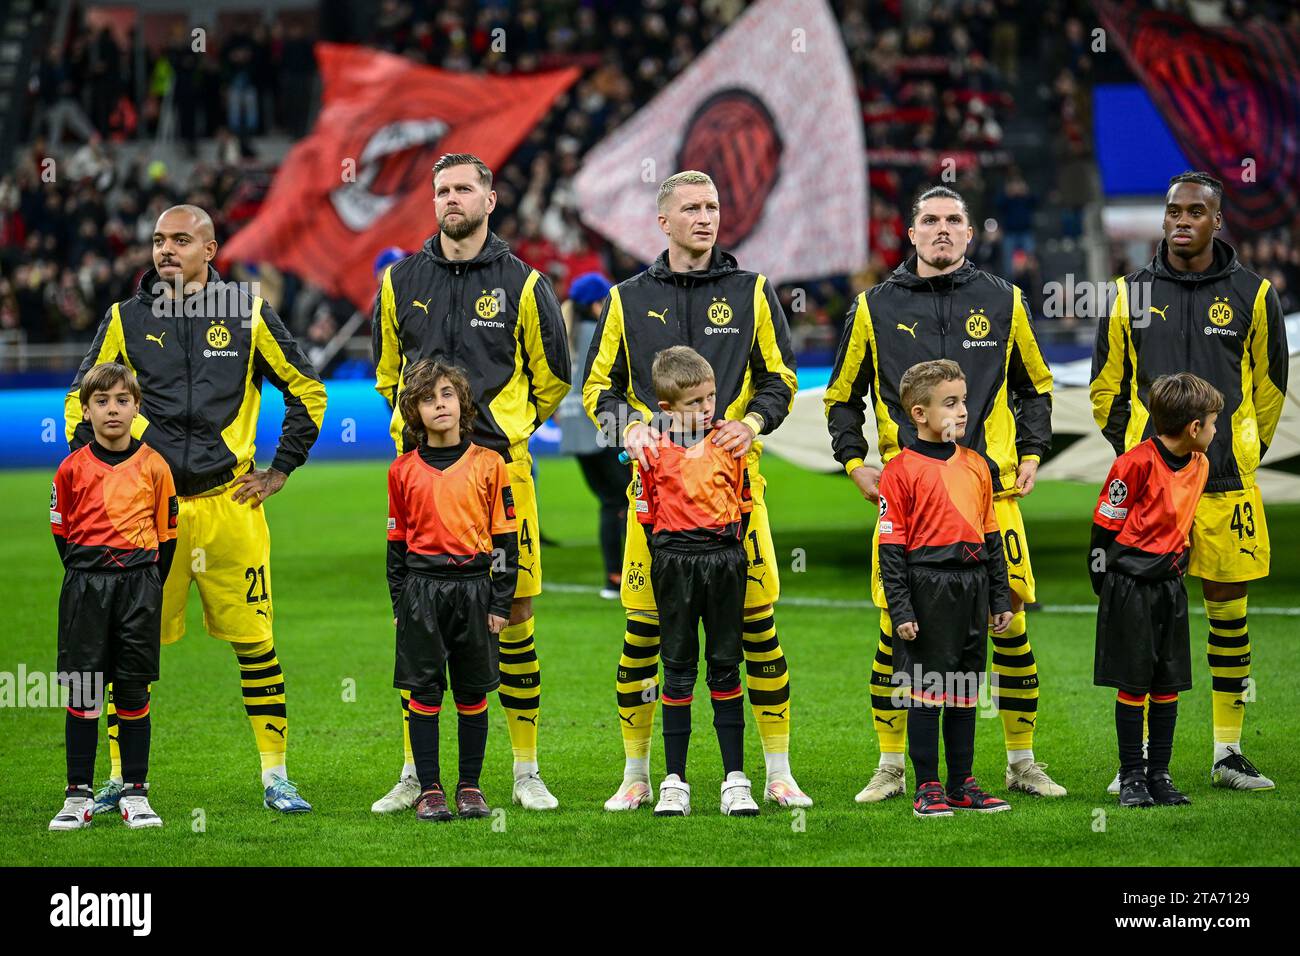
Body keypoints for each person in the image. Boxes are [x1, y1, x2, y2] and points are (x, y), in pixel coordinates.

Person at [65, 204, 327, 814]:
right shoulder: (126, 318)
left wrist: (281, 469)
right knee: (128, 653)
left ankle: (275, 776)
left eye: (180, 240)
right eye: (158, 240)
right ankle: (119, 779)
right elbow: (81, 404)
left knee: (256, 644)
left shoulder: (248, 313)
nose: (165, 250)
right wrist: (111, 474)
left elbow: (308, 390)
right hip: (145, 518)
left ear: (210, 251)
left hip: (229, 506)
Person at [825, 185, 1065, 802]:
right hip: (908, 498)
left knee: (1007, 627)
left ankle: (1022, 761)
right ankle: (892, 766)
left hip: (990, 496)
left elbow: (1036, 387)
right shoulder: (873, 306)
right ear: (910, 233)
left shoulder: (1004, 300)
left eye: (952, 220)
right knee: (897, 631)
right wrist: (853, 462)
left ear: (969, 232)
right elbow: (841, 398)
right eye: (928, 219)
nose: (940, 229)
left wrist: (1032, 452)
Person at [583, 170, 809, 811]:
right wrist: (626, 430)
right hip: (653, 503)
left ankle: (777, 771)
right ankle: (636, 775)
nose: (705, 217)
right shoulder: (628, 298)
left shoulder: (751, 291)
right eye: (691, 208)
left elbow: (782, 380)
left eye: (712, 206)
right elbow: (597, 392)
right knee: (644, 639)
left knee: (758, 631)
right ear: (664, 221)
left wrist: (753, 421)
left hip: (734, 499)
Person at [372, 153, 571, 813]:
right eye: (441, 190)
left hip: (499, 470)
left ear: (491, 198)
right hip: (423, 476)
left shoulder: (525, 283)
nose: (451, 199)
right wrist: (423, 440)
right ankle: (415, 772)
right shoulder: (400, 280)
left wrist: (499, 430)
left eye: (464, 188)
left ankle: (525, 769)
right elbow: (386, 371)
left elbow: (552, 379)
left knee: (513, 615)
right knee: (417, 618)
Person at [1091, 171, 1287, 792]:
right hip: (1153, 496)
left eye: (1195, 211)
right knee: (1149, 627)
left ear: (1217, 220)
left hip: (1226, 487)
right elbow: (1106, 390)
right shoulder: (1128, 294)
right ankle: (1143, 766)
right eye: (1173, 210)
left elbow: (1270, 389)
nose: (1181, 220)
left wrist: (1240, 450)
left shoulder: (1254, 295)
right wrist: (1143, 458)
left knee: (1229, 619)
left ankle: (1227, 753)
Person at [876, 360, 1014, 818]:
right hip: (926, 587)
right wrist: (902, 609)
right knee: (926, 691)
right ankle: (927, 786)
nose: (962, 411)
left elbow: (992, 538)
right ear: (919, 413)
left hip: (972, 589)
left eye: (963, 401)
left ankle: (962, 783)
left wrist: (999, 598)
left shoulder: (978, 465)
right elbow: (891, 549)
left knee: (964, 690)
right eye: (949, 403)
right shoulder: (899, 470)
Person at [386, 359, 518, 821]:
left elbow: (505, 541)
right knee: (424, 692)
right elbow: (396, 545)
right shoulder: (401, 471)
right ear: (414, 411)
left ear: (462, 403)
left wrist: (500, 600)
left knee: (472, 693)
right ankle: (429, 790)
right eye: (427, 398)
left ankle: (470, 787)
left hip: (475, 589)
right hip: (423, 590)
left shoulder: (490, 463)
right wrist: (400, 602)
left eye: (446, 394)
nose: (439, 404)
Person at [49, 363, 177, 830]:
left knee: (132, 690)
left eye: (122, 401)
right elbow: (61, 536)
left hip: (139, 587)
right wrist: (93, 572)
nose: (112, 410)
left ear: (137, 408)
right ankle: (77, 794)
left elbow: (167, 540)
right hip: (85, 587)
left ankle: (135, 793)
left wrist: (138, 578)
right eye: (101, 402)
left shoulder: (155, 466)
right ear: (86, 410)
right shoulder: (71, 468)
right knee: (83, 693)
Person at [635, 347, 756, 817]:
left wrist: (723, 549)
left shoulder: (730, 444)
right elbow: (647, 517)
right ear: (666, 409)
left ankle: (735, 779)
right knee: (679, 669)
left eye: (710, 398)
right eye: (694, 403)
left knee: (726, 666)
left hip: (725, 559)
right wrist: (672, 556)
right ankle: (674, 780)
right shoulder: (651, 452)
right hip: (674, 564)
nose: (707, 409)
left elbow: (743, 505)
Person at [1090, 373, 1219, 807]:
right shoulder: (1134, 463)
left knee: (1167, 684)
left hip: (1169, 588)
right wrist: (1104, 585)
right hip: (1129, 588)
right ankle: (1131, 778)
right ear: (1194, 427)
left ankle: (1159, 775)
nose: (1217, 431)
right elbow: (1103, 529)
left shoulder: (1201, 465)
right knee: (1133, 684)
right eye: (1214, 422)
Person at [557, 271, 625, 599]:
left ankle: (613, 576)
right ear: (598, 303)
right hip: (603, 431)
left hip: (575, 434)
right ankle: (621, 577)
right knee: (624, 501)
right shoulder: (595, 334)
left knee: (608, 504)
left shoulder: (564, 335)